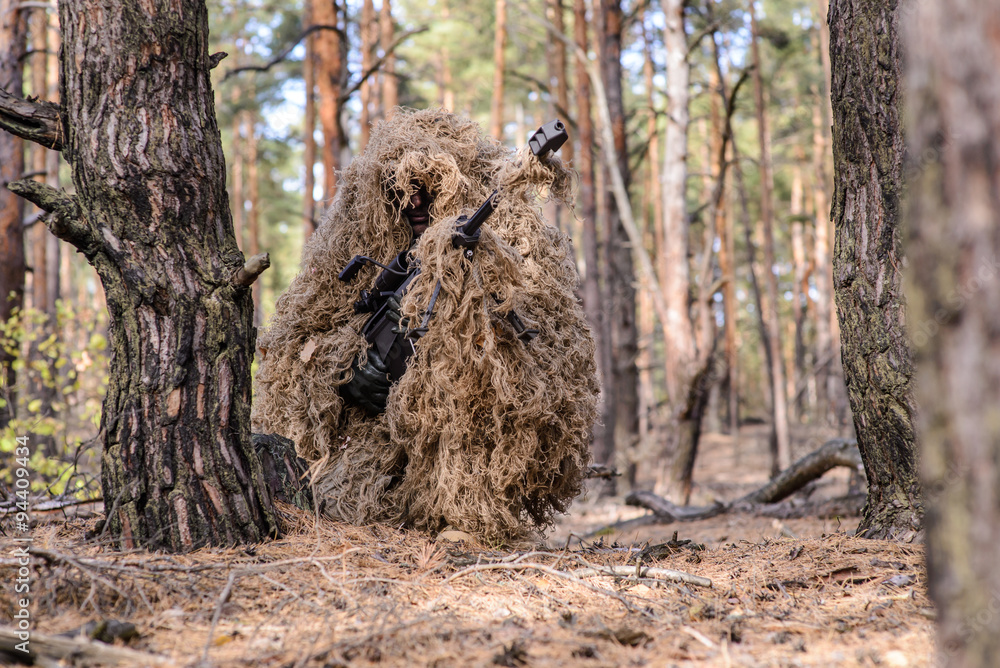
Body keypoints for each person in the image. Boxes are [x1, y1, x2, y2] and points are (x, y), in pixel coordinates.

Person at [252, 108, 598, 541]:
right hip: (376, 438)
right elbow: (297, 348)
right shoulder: (350, 243)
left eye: (426, 188)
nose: (414, 202)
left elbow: (549, 346)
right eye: (400, 189)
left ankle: (467, 517)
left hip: (470, 432)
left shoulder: (513, 236)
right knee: (343, 509)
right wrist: (350, 370)